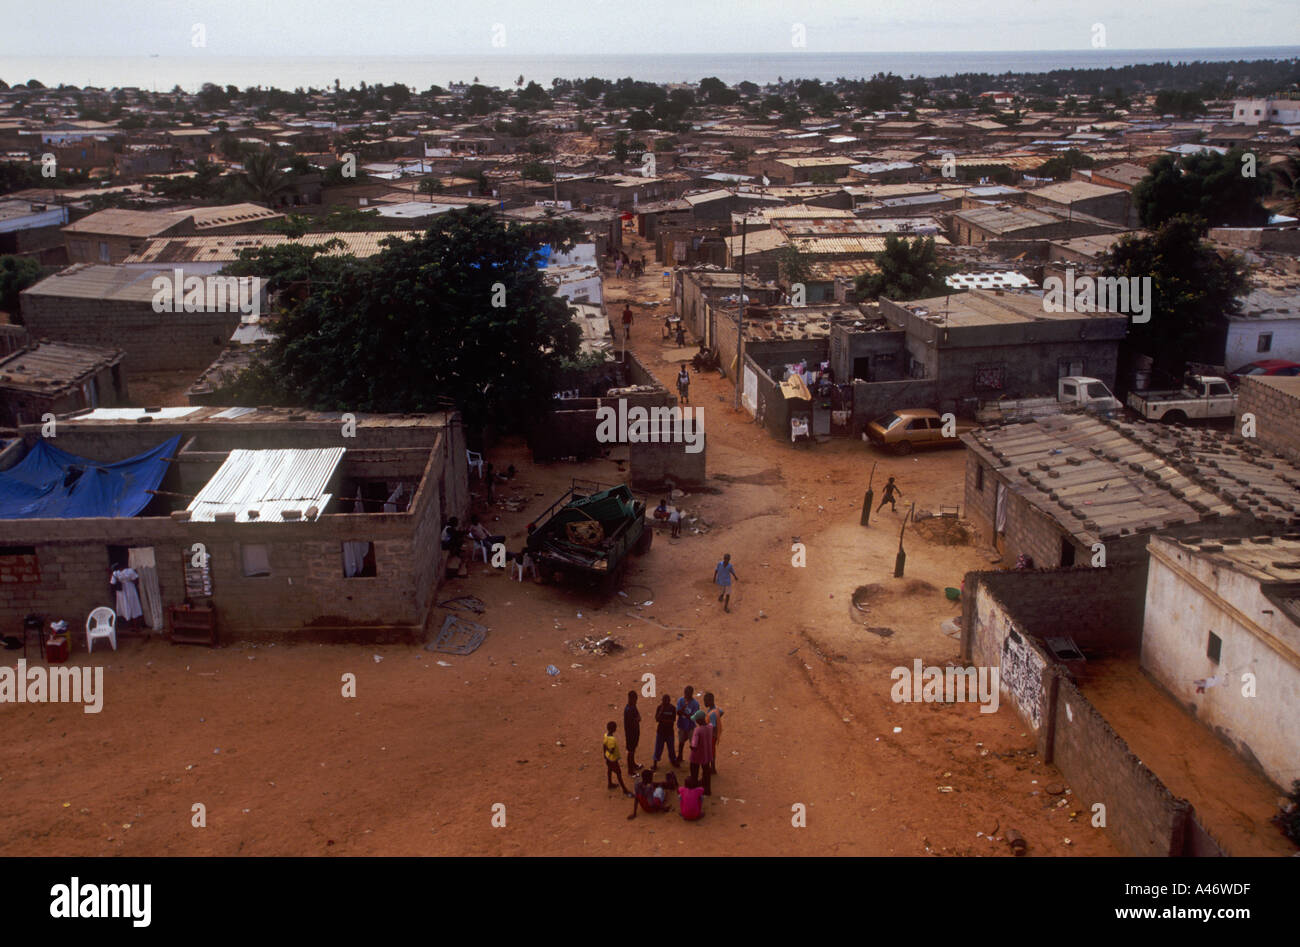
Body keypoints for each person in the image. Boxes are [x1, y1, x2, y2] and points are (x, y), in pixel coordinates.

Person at [689, 709, 714, 796]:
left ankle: (695, 789)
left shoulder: (697, 730)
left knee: (694, 772)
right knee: (706, 772)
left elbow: (694, 745)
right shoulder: (710, 727)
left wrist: (691, 747)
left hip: (697, 755)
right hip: (707, 754)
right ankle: (707, 790)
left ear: (699, 720)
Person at [603, 721, 632, 796]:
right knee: (619, 773)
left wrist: (605, 754)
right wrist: (609, 749)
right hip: (613, 759)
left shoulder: (605, 735)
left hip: (608, 757)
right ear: (614, 729)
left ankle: (610, 783)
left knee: (609, 770)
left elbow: (604, 745)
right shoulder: (612, 739)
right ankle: (624, 789)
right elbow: (612, 750)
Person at [652, 693, 679, 769]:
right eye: (664, 701)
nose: (665, 702)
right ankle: (655, 763)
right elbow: (657, 719)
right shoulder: (659, 708)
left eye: (667, 701)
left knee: (671, 748)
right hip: (661, 732)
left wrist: (663, 720)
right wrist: (661, 711)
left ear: (669, 701)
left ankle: (673, 760)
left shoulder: (673, 708)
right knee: (658, 748)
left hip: (669, 732)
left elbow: (672, 720)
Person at [675, 685, 699, 764]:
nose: (685, 695)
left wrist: (683, 712)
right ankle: (680, 756)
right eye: (685, 693)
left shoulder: (695, 704)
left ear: (691, 694)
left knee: (692, 744)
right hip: (682, 725)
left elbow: (693, 717)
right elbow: (678, 712)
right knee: (681, 742)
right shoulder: (681, 700)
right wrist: (684, 708)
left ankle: (694, 758)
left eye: (687, 693)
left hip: (690, 727)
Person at [703, 692, 723, 776]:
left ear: (710, 701)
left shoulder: (712, 714)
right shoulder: (716, 709)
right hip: (715, 735)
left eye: (705, 701)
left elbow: (712, 726)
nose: (704, 703)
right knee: (712, 751)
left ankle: (713, 768)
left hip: (711, 735)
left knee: (711, 752)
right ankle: (713, 767)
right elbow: (722, 712)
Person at [623, 690, 641, 776]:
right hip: (630, 734)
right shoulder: (628, 710)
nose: (636, 701)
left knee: (633, 750)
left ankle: (633, 764)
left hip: (635, 732)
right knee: (630, 751)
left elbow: (638, 717)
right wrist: (637, 719)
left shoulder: (633, 706)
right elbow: (635, 720)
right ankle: (630, 770)